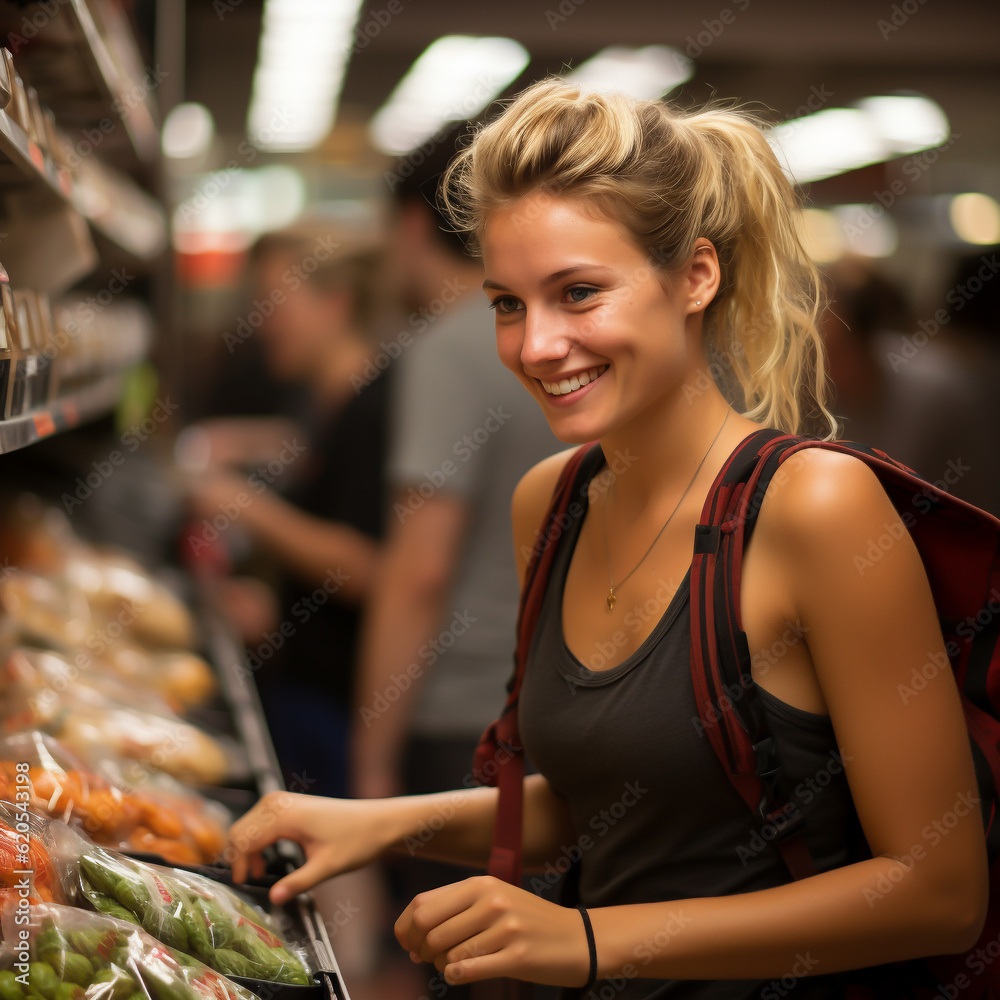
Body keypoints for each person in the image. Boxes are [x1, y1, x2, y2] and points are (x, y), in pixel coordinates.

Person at [226, 79, 987, 1000]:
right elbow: (622, 795)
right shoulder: (550, 503)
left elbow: (939, 892)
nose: (537, 345)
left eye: (578, 293)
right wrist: (378, 823)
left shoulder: (815, 507)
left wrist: (590, 941)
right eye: (507, 303)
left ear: (696, 276)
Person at [184, 225, 392, 801]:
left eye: (275, 303)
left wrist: (244, 505)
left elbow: (365, 566)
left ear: (336, 302)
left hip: (342, 706)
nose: (263, 322)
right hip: (309, 687)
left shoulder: (372, 409)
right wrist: (274, 613)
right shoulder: (319, 405)